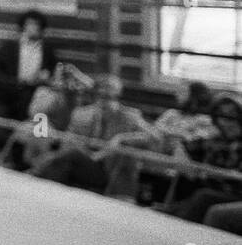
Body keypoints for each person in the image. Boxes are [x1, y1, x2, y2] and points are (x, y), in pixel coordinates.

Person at [29, 74, 151, 194]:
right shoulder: (81, 114)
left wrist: (122, 138)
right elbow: (67, 142)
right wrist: (81, 150)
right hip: (81, 162)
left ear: (118, 98)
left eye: (110, 97)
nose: (104, 102)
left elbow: (153, 136)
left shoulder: (130, 116)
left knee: (65, 158)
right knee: (60, 158)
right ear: (95, 97)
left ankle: (33, 179)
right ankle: (37, 184)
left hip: (108, 171)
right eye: (101, 96)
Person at [152, 93, 242, 224]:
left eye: (232, 117)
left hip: (235, 196)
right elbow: (183, 145)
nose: (226, 123)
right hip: (212, 192)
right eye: (221, 117)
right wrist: (188, 168)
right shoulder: (214, 140)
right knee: (162, 206)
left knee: (204, 197)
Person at [0, 9, 57, 121]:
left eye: (37, 24)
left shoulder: (47, 49)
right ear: (23, 26)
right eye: (30, 23)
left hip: (35, 97)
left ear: (42, 28)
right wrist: (8, 82)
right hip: (9, 95)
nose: (34, 27)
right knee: (3, 132)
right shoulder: (10, 46)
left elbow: (53, 70)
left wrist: (46, 75)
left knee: (37, 132)